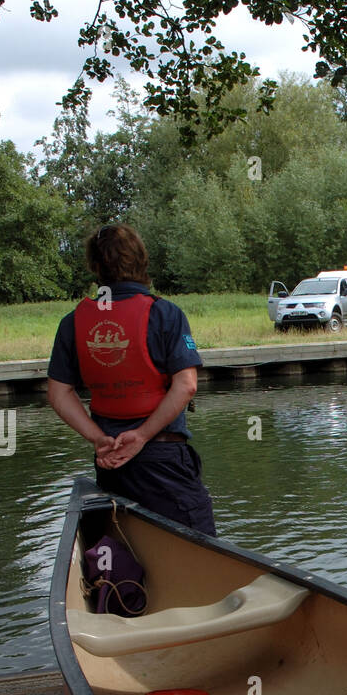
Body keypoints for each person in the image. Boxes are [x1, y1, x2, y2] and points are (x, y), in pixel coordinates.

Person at [47, 224, 216, 534]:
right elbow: (186, 385)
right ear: (141, 261)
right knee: (202, 549)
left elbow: (59, 393)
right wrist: (140, 436)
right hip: (164, 461)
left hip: (111, 463)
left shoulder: (72, 323)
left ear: (95, 268)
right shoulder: (166, 314)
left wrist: (98, 438)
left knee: (125, 552)